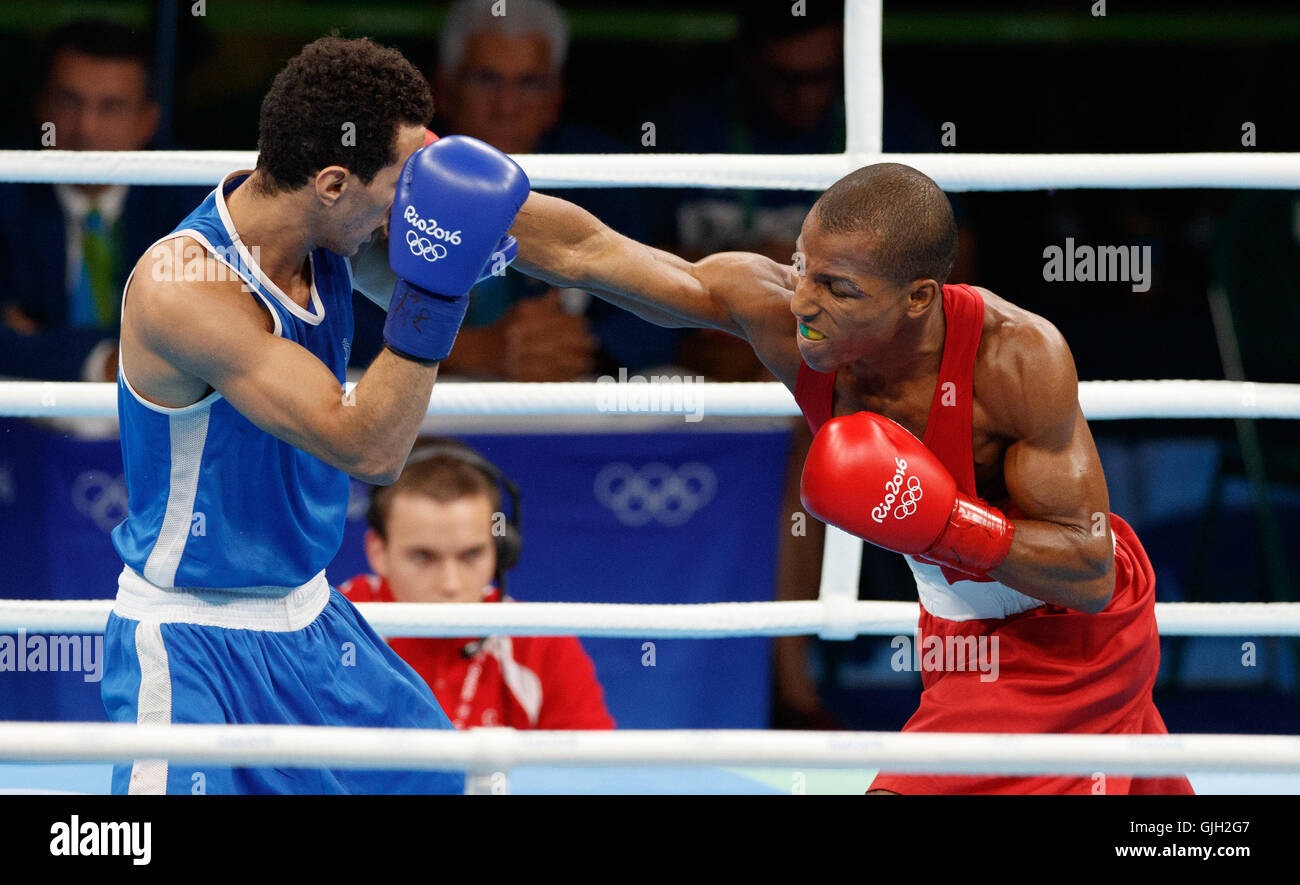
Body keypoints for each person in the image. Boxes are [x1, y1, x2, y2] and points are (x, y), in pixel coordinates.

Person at [508, 162, 1194, 795]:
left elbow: (1090, 568)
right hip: (958, 625)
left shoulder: (1013, 359)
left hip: (1065, 632)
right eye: (804, 267)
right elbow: (595, 253)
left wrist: (948, 521)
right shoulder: (787, 317)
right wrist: (444, 185)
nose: (804, 300)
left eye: (838, 288)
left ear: (919, 297)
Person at [101, 36, 529, 794]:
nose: (410, 210)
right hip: (196, 641)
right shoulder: (183, 288)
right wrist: (440, 289)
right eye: (400, 188)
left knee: (470, 784)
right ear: (333, 182)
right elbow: (370, 447)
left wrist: (704, 294)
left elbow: (570, 250)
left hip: (314, 619)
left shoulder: (328, 238)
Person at [401, 0, 681, 380]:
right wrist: (466, 347)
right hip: (432, 380)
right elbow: (344, 309)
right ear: (444, 89)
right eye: (486, 79)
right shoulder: (399, 165)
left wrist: (583, 345)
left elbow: (655, 307)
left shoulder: (599, 169)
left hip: (569, 383)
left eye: (529, 83)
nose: (507, 105)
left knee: (669, 384)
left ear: (555, 99)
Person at [340, 440, 615, 730]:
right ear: (378, 552)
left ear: (500, 550)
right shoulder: (329, 630)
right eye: (423, 557)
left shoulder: (541, 643)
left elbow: (591, 773)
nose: (450, 584)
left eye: (471, 555)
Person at [0, 19, 208, 382]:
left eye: (111, 108)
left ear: (148, 121)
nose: (86, 129)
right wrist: (107, 359)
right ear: (41, 104)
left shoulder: (192, 194)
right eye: (69, 102)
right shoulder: (8, 185)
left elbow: (210, 336)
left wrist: (46, 344)